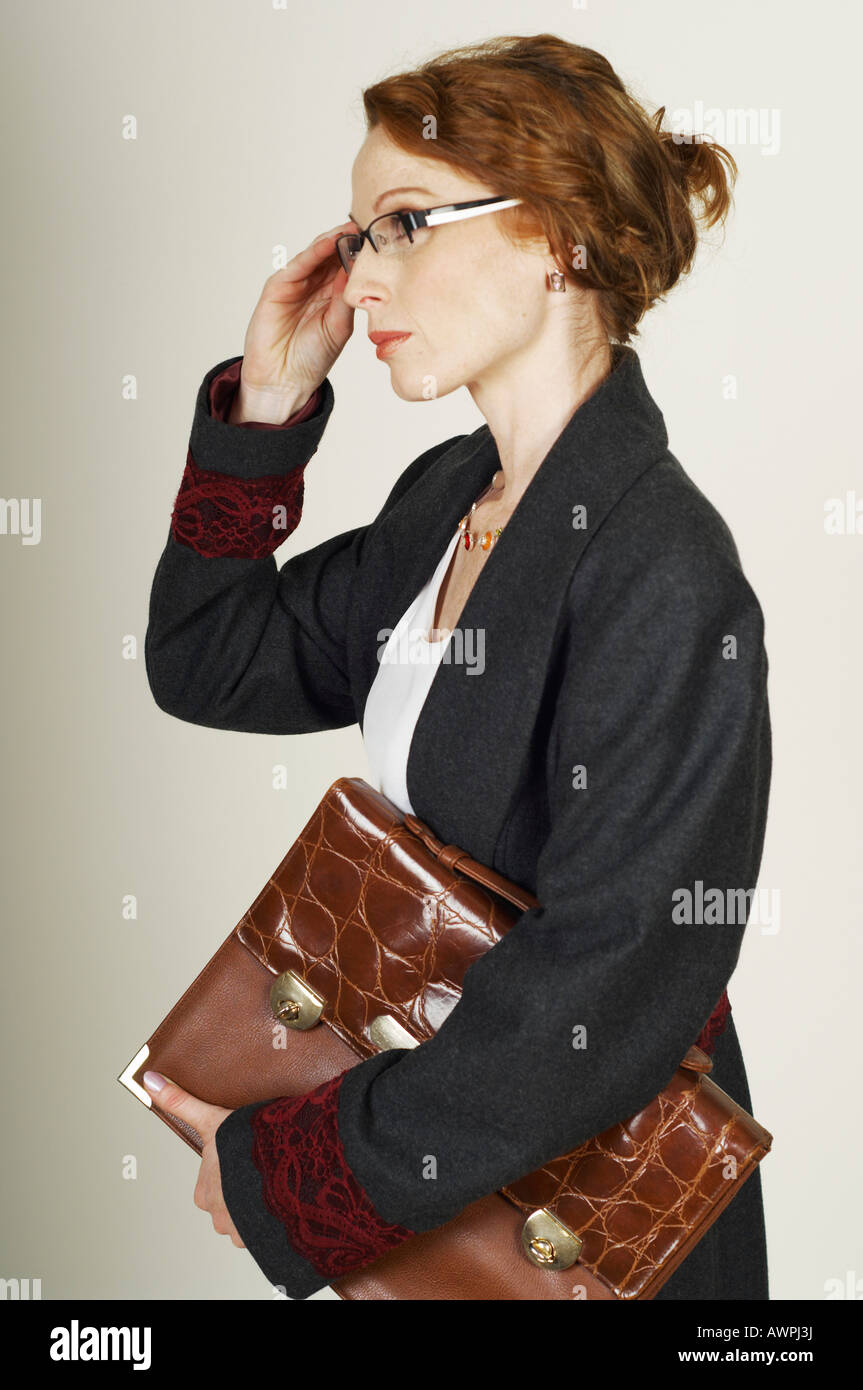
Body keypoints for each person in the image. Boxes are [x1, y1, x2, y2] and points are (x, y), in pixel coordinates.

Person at [141, 33, 771, 1300]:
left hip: (578, 1228)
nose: (360, 278)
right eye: (357, 232)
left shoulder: (660, 560)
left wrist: (303, 1180)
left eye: (406, 223)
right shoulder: (450, 499)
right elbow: (209, 662)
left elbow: (611, 969)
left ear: (553, 238)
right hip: (454, 1191)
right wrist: (267, 411)